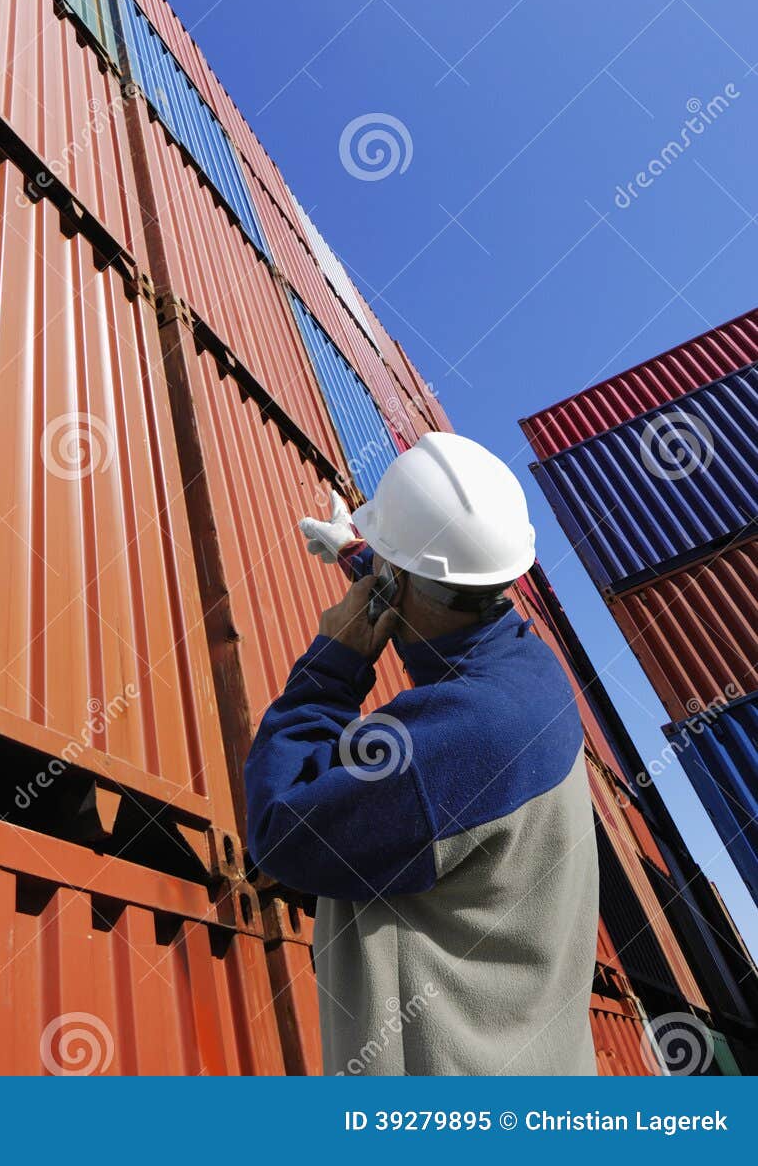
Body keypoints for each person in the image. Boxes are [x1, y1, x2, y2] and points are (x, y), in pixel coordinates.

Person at [244, 433, 598, 1077]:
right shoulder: (528, 673)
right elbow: (441, 597)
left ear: (400, 584)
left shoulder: (454, 739)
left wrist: (331, 668)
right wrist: (365, 558)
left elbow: (278, 825)